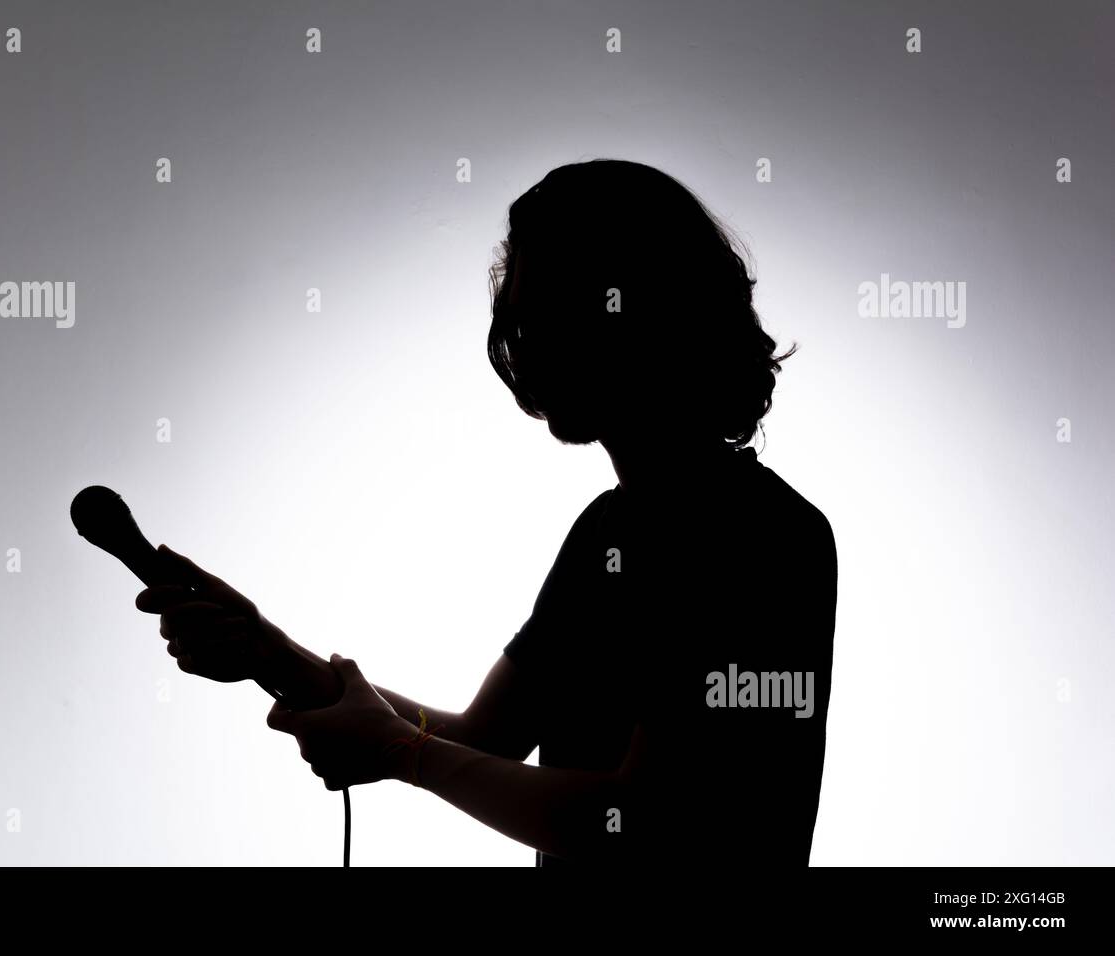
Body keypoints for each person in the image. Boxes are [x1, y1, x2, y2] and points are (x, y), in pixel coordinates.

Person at [135, 159, 837, 866]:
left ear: (641, 311)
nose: (524, 333)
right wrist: (270, 650)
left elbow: (643, 818)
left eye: (548, 306)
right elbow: (481, 738)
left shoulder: (765, 536)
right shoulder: (609, 532)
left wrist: (396, 751)